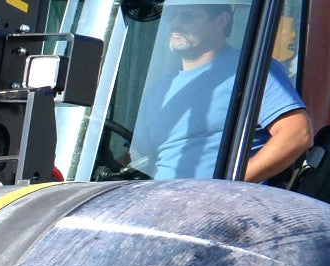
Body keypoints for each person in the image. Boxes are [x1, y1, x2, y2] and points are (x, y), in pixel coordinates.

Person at [132, 0, 312, 181]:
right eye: (172, 16)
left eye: (187, 16)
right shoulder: (159, 91)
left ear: (221, 20)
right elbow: (137, 159)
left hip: (224, 204)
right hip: (162, 201)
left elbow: (297, 134)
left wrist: (228, 184)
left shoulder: (250, 70)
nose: (175, 23)